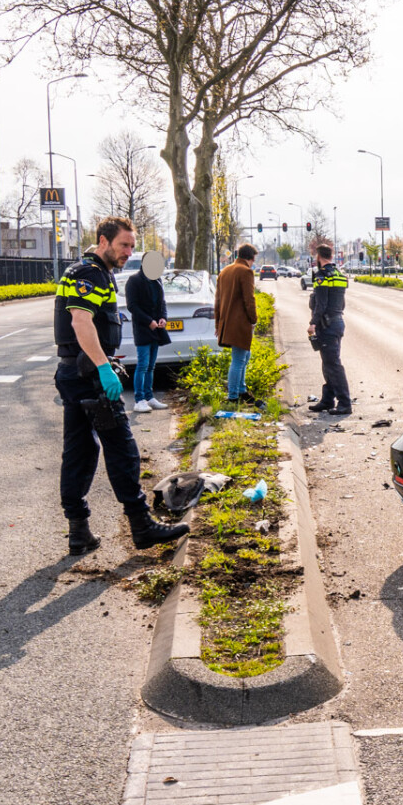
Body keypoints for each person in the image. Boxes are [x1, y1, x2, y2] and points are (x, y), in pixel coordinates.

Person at [52, 218, 189, 556]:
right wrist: (103, 368)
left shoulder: (84, 270)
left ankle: (78, 530)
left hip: (75, 374)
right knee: (122, 450)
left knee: (80, 450)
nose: (129, 252)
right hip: (89, 377)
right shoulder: (91, 274)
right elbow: (81, 322)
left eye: (131, 246)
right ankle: (141, 526)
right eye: (123, 245)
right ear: (103, 241)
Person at [307, 244, 351, 413]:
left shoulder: (321, 276)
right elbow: (341, 302)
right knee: (328, 363)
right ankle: (327, 400)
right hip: (337, 321)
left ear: (318, 257)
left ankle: (345, 403)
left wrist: (313, 323)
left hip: (327, 324)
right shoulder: (340, 275)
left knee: (332, 364)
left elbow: (321, 304)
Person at [215, 244, 259, 404]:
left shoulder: (225, 270)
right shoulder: (246, 271)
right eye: (254, 259)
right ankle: (233, 396)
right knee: (239, 359)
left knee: (244, 357)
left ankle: (241, 390)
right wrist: (254, 319)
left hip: (227, 322)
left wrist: (218, 324)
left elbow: (218, 300)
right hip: (240, 323)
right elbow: (250, 299)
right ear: (250, 258)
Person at [125, 255, 169, 413]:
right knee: (142, 365)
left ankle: (149, 397)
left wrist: (163, 318)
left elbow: (162, 302)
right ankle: (139, 399)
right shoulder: (134, 280)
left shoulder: (157, 280)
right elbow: (132, 306)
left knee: (151, 366)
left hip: (156, 328)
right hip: (143, 328)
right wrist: (148, 321)